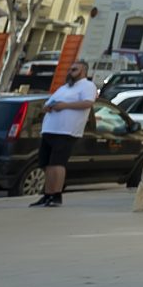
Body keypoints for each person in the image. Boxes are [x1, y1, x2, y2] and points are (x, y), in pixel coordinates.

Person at [32, 63, 96, 207]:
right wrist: (48, 107)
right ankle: (47, 194)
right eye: (70, 69)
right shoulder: (64, 88)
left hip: (66, 130)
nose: (70, 71)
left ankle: (56, 195)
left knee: (57, 163)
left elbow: (88, 103)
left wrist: (65, 106)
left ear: (84, 71)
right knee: (47, 164)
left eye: (74, 69)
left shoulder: (87, 86)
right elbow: (46, 104)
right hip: (50, 129)